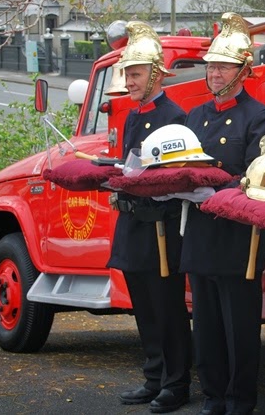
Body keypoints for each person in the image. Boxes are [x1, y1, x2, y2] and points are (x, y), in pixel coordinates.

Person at [180, 12, 265, 415]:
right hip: (202, 233)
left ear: (243, 70)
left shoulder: (261, 118)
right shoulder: (196, 116)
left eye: (223, 66)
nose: (214, 73)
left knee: (238, 328)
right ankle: (212, 396)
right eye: (211, 65)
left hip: (239, 239)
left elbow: (262, 179)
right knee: (205, 326)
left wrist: (218, 188)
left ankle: (240, 400)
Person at [106, 21, 192, 413]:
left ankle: (176, 385)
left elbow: (176, 176)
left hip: (161, 226)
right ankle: (153, 377)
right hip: (133, 224)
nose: (129, 80)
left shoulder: (175, 115)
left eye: (136, 73)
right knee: (144, 307)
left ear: (156, 74)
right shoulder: (132, 115)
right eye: (127, 74)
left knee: (167, 308)